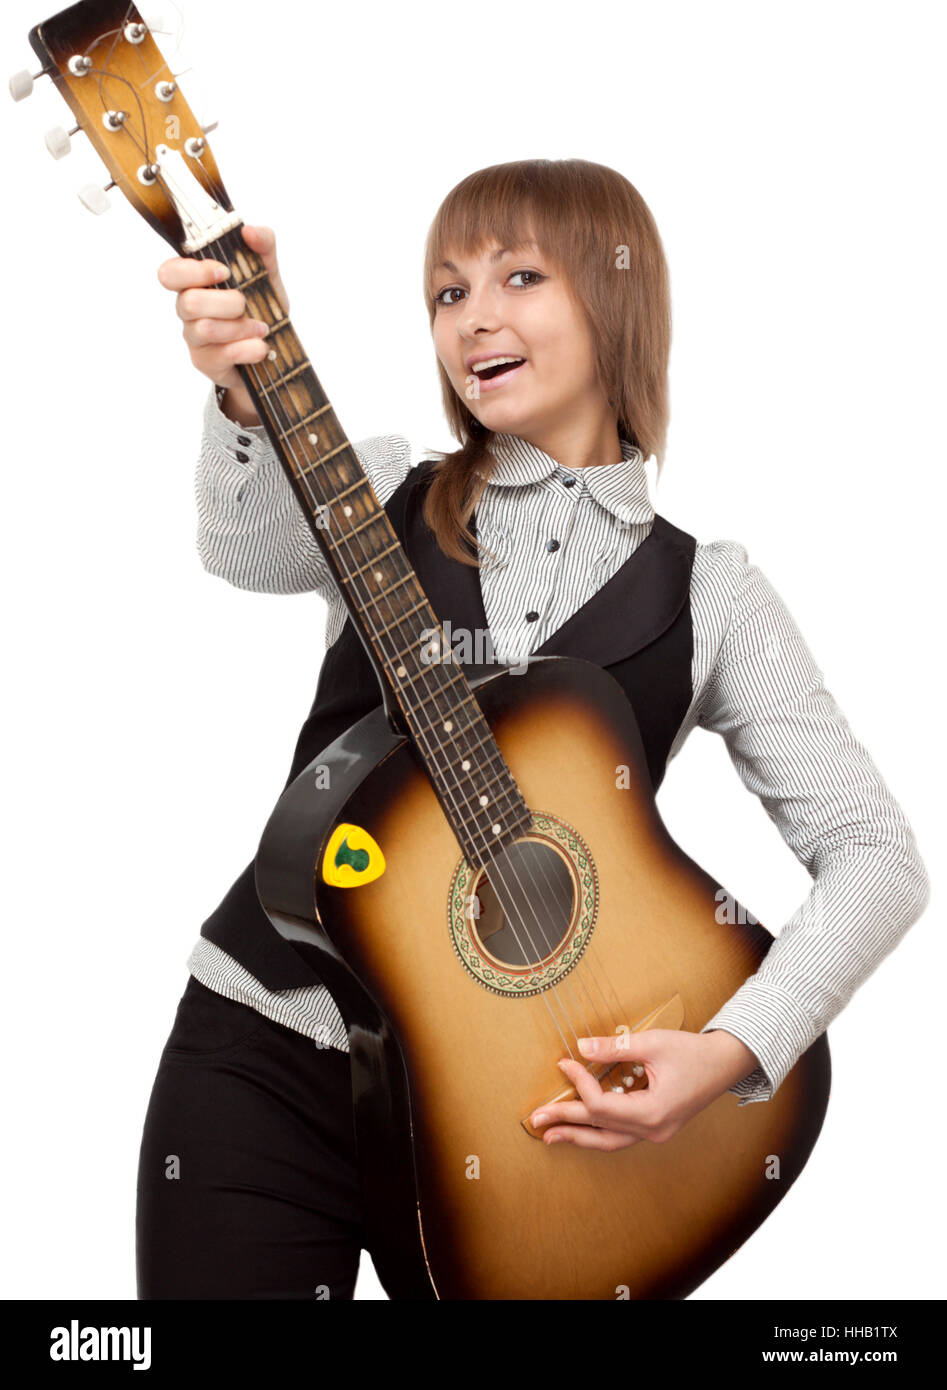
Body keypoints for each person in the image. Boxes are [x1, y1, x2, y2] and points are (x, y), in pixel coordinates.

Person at [135, 158, 930, 1300]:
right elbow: (246, 549)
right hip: (270, 1048)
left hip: (528, 1115)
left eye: (519, 276)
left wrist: (730, 1051)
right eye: (447, 292)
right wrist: (243, 401)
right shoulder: (382, 491)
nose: (474, 318)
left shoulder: (709, 592)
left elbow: (873, 851)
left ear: (617, 304)